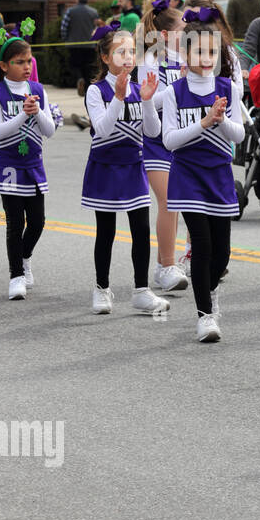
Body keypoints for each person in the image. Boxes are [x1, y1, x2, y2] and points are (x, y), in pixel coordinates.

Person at [158, 9, 245, 342]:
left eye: (211, 52)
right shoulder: (173, 93)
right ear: (184, 52)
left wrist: (221, 121)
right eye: (198, 52)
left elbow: (238, 136)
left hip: (219, 176)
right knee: (203, 245)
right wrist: (204, 122)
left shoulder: (228, 88)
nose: (206, 58)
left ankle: (209, 294)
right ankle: (205, 315)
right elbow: (169, 141)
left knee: (222, 253)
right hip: (188, 175)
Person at [82, 24, 169, 317]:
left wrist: (146, 101)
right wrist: (118, 98)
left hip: (133, 167)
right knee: (106, 231)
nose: (129, 56)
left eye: (132, 51)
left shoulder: (136, 88)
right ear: (105, 58)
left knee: (141, 230)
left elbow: (153, 131)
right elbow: (103, 130)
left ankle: (142, 290)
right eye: (121, 52)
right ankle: (102, 287)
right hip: (105, 167)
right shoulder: (97, 91)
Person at [0, 24, 53, 300]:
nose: (26, 66)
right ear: (3, 65)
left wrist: (37, 112)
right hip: (8, 165)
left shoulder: (37, 89)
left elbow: (49, 131)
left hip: (33, 164)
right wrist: (24, 115)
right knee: (15, 222)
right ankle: (16, 276)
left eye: (29, 61)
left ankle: (25, 258)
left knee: (37, 221)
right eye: (19, 62)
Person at [138, 0, 190, 291]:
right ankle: (168, 265)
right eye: (184, 26)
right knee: (167, 201)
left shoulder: (187, 57)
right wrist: (175, 89)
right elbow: (148, 97)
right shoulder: (151, 59)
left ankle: (163, 266)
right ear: (166, 34)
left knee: (175, 203)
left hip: (179, 136)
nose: (189, 29)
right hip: (154, 137)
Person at [60, 0, 99, 97]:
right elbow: (97, 28)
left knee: (74, 65)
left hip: (74, 44)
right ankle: (87, 90)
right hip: (90, 45)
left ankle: (79, 78)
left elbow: (64, 27)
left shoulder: (70, 11)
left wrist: (65, 39)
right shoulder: (94, 12)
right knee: (88, 67)